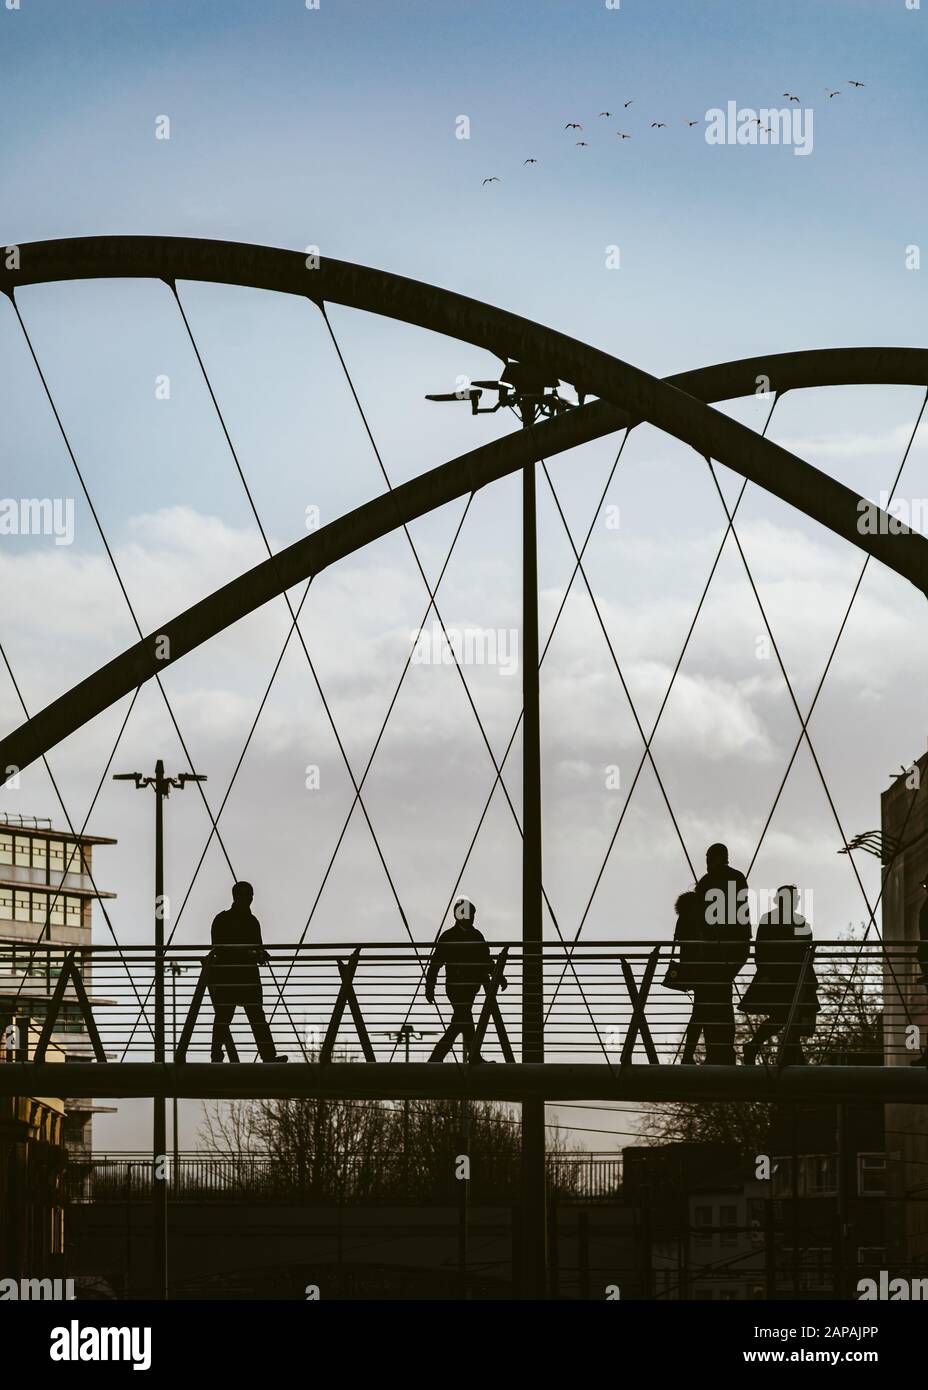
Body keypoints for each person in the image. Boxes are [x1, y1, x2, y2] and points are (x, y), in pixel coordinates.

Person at [206, 881, 288, 1063]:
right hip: (240, 976)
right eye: (248, 895)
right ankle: (267, 1055)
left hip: (231, 977)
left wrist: (258, 953)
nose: (250, 898)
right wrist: (253, 954)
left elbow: (221, 947)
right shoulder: (248, 921)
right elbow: (223, 948)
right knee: (251, 1016)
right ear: (239, 897)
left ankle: (217, 1055)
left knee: (226, 1016)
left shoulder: (227, 920)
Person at [740, 885, 818, 1065]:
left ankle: (785, 1054)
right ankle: (791, 1057)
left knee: (788, 1017)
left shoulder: (783, 920)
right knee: (788, 1017)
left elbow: (762, 949)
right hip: (784, 977)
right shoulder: (790, 921)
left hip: (787, 976)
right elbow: (762, 950)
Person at [425, 896, 506, 1063]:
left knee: (462, 1020)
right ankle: (470, 1057)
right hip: (458, 987)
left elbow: (486, 960)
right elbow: (436, 963)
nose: (472, 918)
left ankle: (439, 1058)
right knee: (463, 1018)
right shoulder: (468, 936)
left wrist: (499, 976)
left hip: (467, 987)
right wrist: (429, 986)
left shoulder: (455, 936)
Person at [693, 842, 752, 1065]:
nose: (707, 862)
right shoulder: (736, 878)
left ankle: (717, 1052)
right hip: (733, 947)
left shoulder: (707, 882)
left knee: (711, 1001)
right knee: (722, 999)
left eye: (709, 857)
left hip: (715, 949)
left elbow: (701, 918)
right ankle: (724, 1051)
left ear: (717, 857)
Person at [663, 889, 710, 1064]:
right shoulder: (698, 915)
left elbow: (679, 940)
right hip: (702, 969)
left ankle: (688, 1055)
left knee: (700, 1011)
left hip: (691, 968)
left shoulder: (683, 916)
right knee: (701, 1012)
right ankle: (688, 1055)